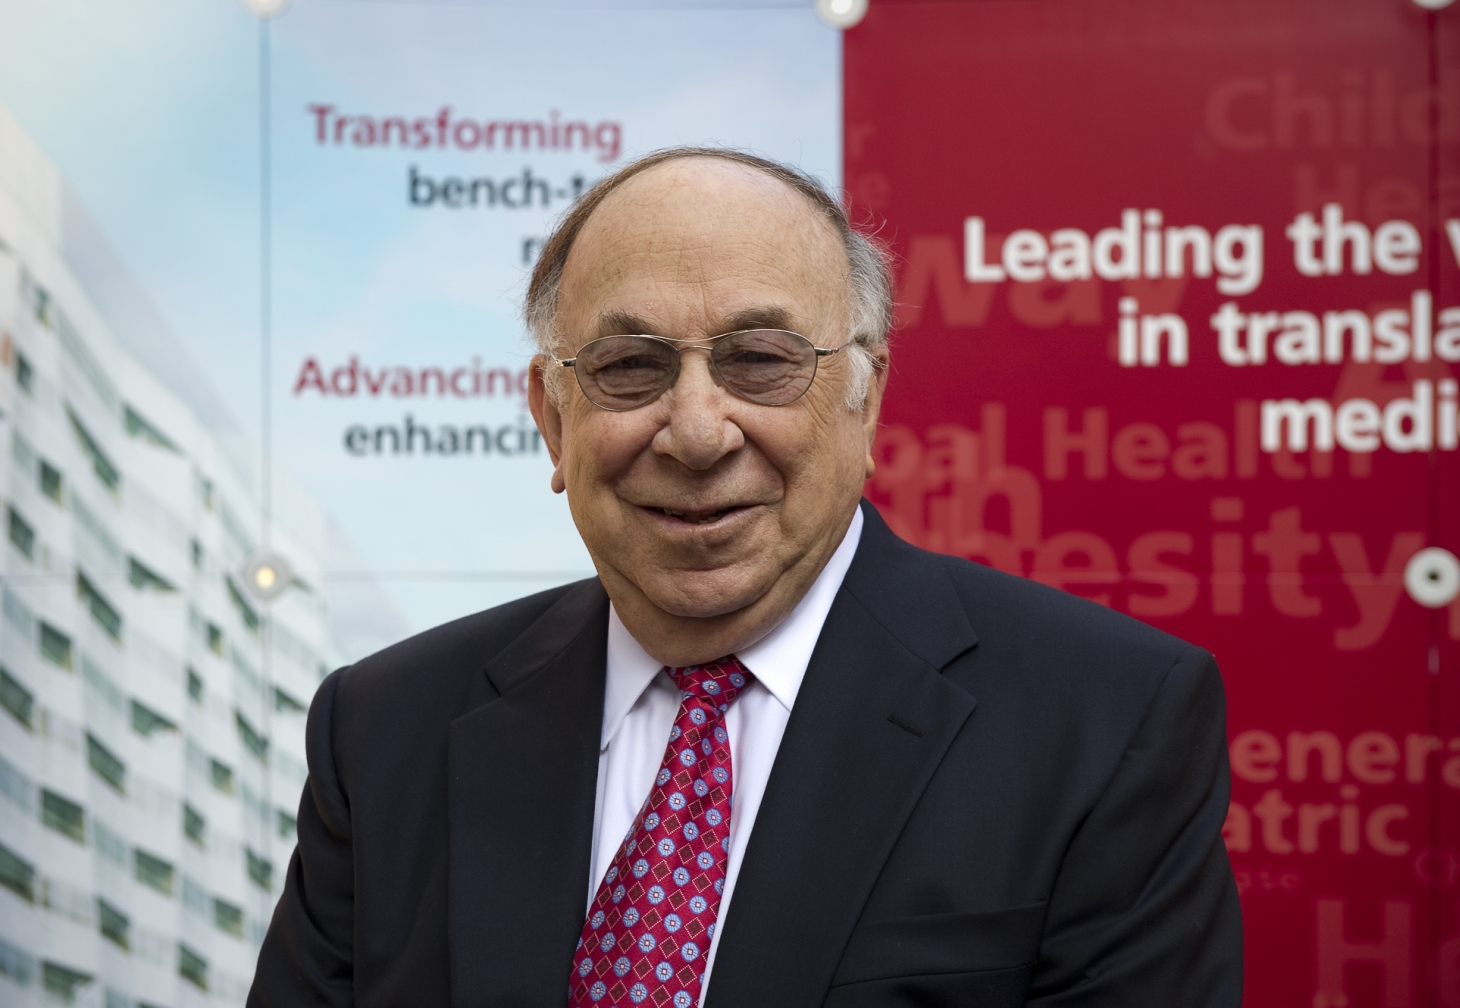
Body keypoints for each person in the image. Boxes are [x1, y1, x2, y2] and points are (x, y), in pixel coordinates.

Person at [249, 148, 1242, 1008]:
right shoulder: (384, 733)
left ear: (865, 397)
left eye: (760, 361)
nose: (693, 430)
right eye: (630, 367)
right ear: (552, 419)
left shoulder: (1106, 723)